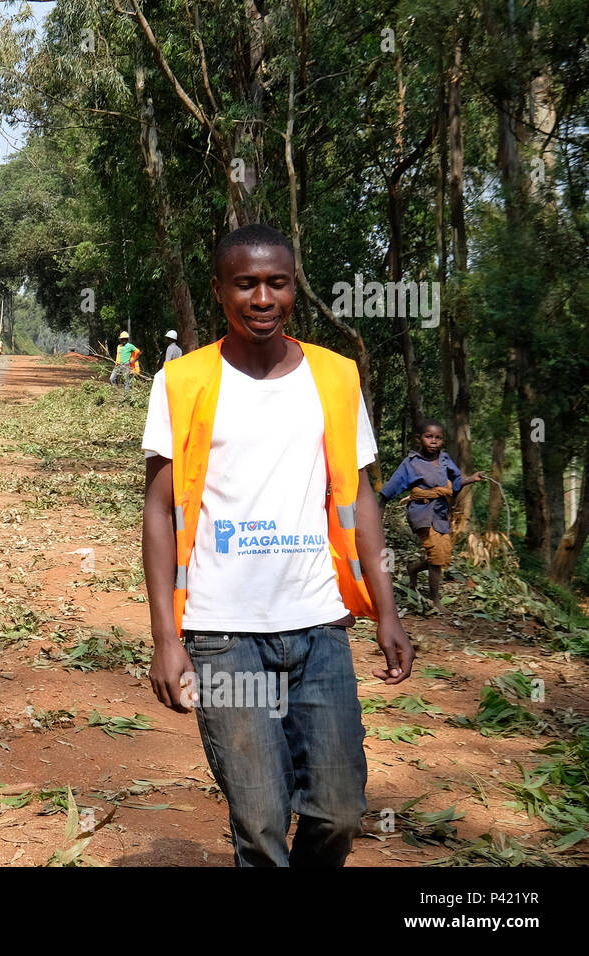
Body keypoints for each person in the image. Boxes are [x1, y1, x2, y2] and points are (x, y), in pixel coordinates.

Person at [141, 223, 411, 868]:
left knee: (340, 810)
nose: (262, 298)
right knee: (260, 821)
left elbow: (361, 497)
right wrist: (165, 638)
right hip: (223, 633)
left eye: (277, 283)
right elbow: (159, 509)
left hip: (319, 626)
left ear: (295, 288)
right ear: (219, 291)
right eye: (246, 284)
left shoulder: (336, 378)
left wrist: (388, 611)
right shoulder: (182, 383)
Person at [379, 420, 484, 612]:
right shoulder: (412, 463)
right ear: (419, 439)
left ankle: (413, 569)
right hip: (421, 512)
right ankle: (435, 600)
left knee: (442, 556)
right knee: (436, 556)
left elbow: (456, 481)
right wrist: (378, 513)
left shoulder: (444, 459)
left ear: (442, 440)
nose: (433, 441)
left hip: (440, 512)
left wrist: (472, 478)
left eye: (438, 437)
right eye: (429, 437)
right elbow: (391, 487)